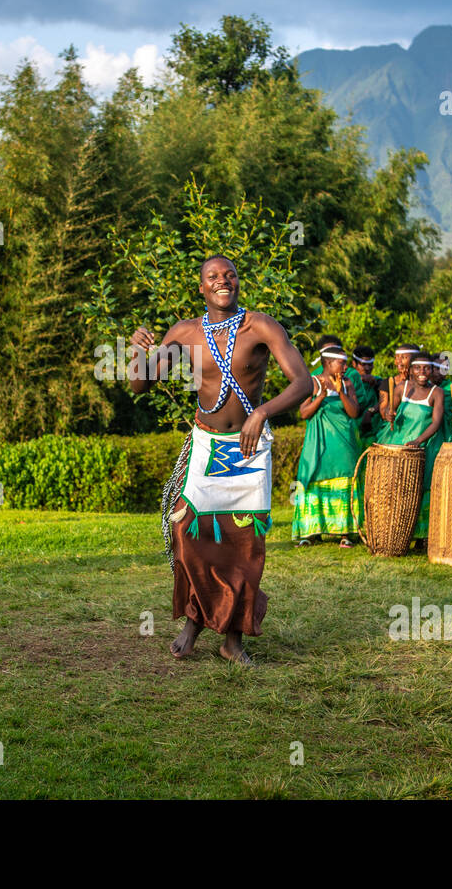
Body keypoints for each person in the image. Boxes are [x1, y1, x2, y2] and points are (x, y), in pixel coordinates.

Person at [130, 254, 311, 666]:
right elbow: (141, 385)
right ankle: (194, 621)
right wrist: (141, 352)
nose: (222, 280)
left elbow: (303, 382)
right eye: (212, 276)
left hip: (249, 449)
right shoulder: (185, 333)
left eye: (228, 274)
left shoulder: (261, 326)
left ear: (238, 282)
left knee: (243, 547)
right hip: (207, 444)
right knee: (189, 539)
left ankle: (233, 639)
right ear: (201, 287)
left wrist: (262, 413)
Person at [291, 344, 361, 547]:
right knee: (313, 480)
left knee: (345, 480)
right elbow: (304, 413)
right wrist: (320, 396)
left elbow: (354, 412)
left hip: (343, 445)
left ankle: (345, 533)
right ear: (328, 363)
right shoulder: (312, 382)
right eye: (342, 362)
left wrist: (341, 393)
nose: (345, 366)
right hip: (318, 445)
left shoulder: (347, 383)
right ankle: (310, 532)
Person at [377, 350, 445, 550]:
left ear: (432, 370)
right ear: (411, 370)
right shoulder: (400, 388)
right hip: (398, 446)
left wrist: (418, 441)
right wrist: (389, 415)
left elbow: (436, 422)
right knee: (396, 489)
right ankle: (395, 533)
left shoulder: (437, 393)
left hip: (423, 446)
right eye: (417, 368)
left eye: (426, 368)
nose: (422, 372)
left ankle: (421, 536)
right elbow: (390, 412)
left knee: (421, 490)